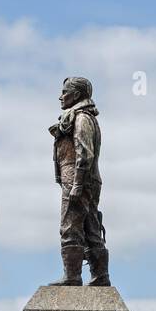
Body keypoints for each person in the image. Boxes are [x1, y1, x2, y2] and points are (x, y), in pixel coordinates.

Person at [48, 75, 110, 287]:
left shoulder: (81, 118)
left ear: (76, 95)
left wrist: (76, 184)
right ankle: (100, 276)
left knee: (70, 227)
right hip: (81, 180)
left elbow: (85, 154)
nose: (61, 97)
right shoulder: (78, 117)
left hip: (77, 180)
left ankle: (72, 276)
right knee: (91, 226)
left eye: (65, 92)